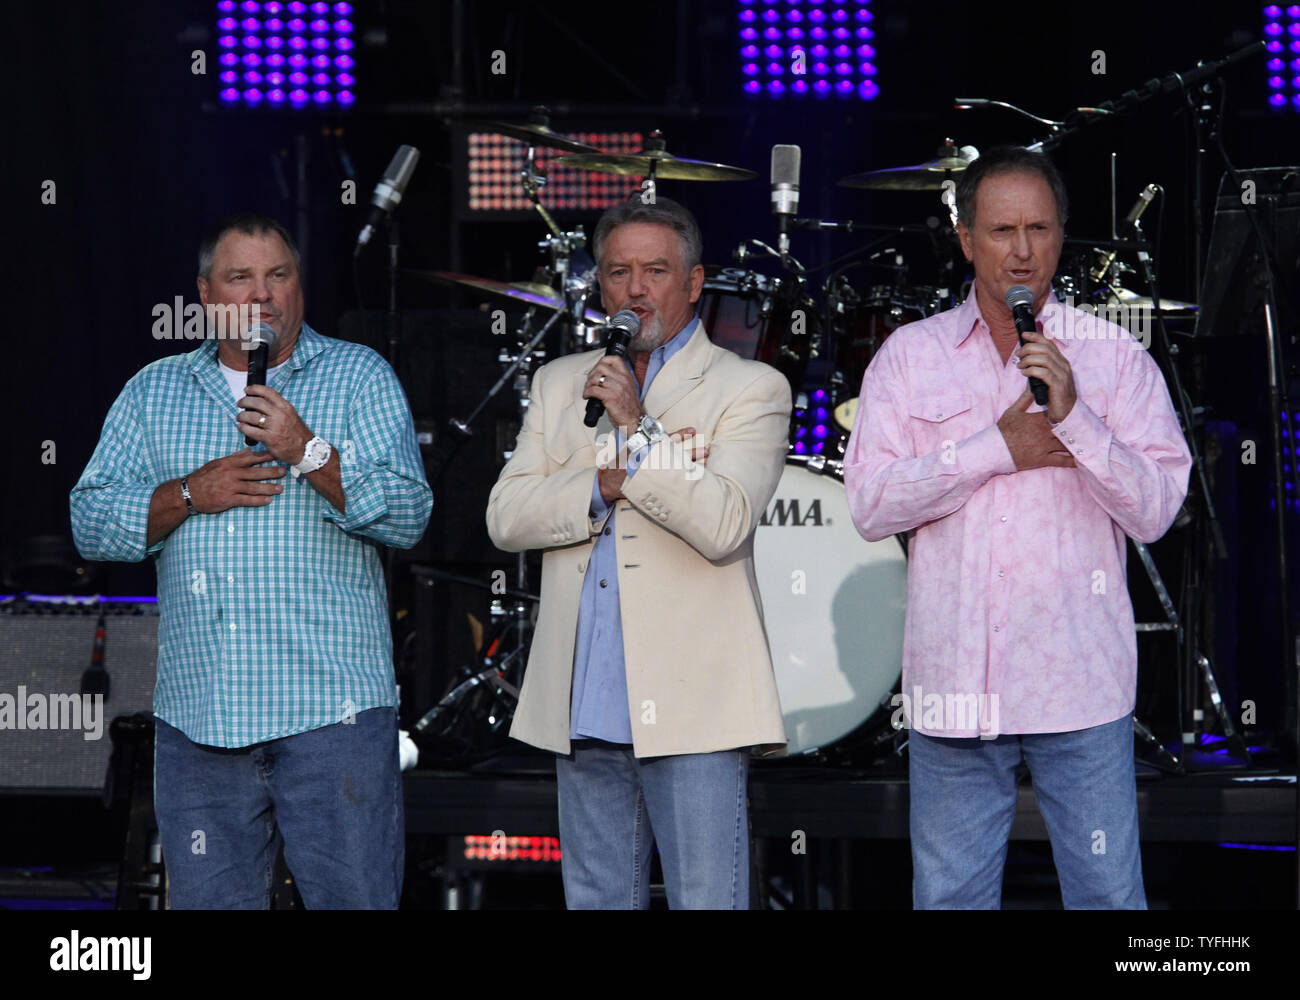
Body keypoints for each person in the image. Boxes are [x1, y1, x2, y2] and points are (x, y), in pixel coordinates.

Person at [843, 146, 1192, 909]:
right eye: (1002, 230)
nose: (1023, 250)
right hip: (956, 683)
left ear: (1063, 236)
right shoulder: (909, 358)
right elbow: (869, 505)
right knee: (950, 899)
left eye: (1040, 228)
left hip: (1078, 682)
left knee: (1106, 896)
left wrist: (1077, 419)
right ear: (967, 239)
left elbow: (1159, 510)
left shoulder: (1115, 357)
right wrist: (994, 449)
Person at [70, 213, 432, 909]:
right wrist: (186, 495)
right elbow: (89, 522)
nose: (261, 296)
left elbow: (409, 514)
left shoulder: (358, 377)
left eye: (278, 276)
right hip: (202, 717)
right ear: (206, 297)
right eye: (241, 278)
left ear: (300, 288)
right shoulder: (155, 391)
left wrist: (308, 450)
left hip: (332, 714)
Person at [486, 196, 791, 909]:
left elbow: (725, 522)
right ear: (600, 286)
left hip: (696, 701)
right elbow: (504, 515)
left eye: (656, 270)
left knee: (707, 898)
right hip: (585, 693)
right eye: (619, 272)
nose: (635, 289)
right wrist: (597, 484)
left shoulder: (750, 387)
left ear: (694, 283)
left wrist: (638, 427)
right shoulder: (561, 382)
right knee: (596, 899)